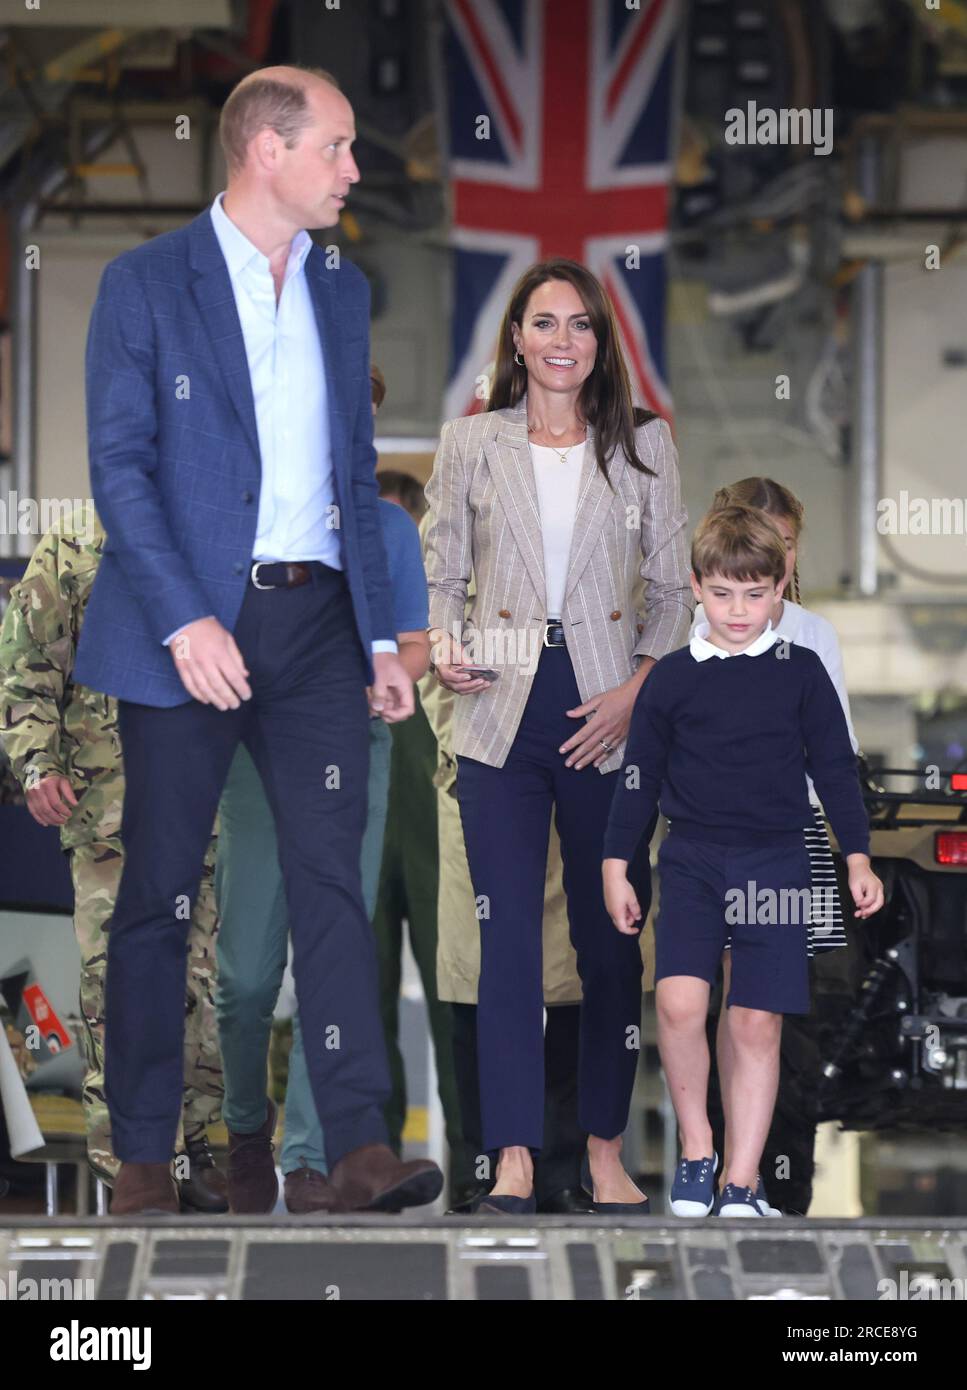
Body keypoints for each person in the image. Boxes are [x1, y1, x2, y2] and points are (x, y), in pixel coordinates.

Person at [72, 64, 440, 1215]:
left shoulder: (340, 285)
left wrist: (377, 637)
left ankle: (352, 1150)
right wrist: (185, 616)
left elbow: (352, 477)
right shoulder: (144, 283)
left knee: (333, 887)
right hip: (187, 621)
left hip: (317, 623)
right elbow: (119, 469)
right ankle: (144, 1155)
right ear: (266, 151)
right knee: (158, 896)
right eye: (337, 145)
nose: (355, 169)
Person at [423, 258, 692, 1213]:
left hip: (604, 713)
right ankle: (514, 1159)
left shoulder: (645, 445)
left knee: (609, 941)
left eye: (579, 324)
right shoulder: (470, 442)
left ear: (599, 342)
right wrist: (444, 644)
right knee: (504, 943)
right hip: (498, 712)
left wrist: (636, 691)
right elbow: (441, 576)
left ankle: (605, 1154)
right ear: (516, 339)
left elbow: (672, 594)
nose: (562, 341)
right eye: (544, 323)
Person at [602, 505, 884, 1217]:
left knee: (756, 1022)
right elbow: (638, 775)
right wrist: (615, 863)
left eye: (755, 594)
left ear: (780, 587)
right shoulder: (670, 678)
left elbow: (835, 769)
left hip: (778, 862)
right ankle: (698, 1151)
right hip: (692, 858)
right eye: (722, 593)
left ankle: (741, 1179)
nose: (737, 610)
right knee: (678, 1004)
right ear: (696, 586)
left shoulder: (802, 671)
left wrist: (857, 857)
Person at [213, 369, 431, 1214]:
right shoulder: (245, 515)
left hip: (352, 752)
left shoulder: (388, 529)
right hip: (256, 751)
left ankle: (306, 1158)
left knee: (330, 964)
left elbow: (412, 642)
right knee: (244, 979)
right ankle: (245, 1126)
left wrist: (391, 676)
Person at [0, 503, 226, 1211]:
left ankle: (190, 1145)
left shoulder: (218, 536)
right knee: (117, 985)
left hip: (209, 806)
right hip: (108, 812)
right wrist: (37, 763)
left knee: (206, 983)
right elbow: (27, 670)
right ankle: (133, 1157)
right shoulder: (72, 545)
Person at [693, 478, 860, 1215]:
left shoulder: (814, 633)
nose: (770, 555)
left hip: (794, 835)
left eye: (784, 544)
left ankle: (777, 1184)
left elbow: (836, 750)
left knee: (779, 1009)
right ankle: (725, 1174)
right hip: (709, 835)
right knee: (715, 1005)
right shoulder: (693, 629)